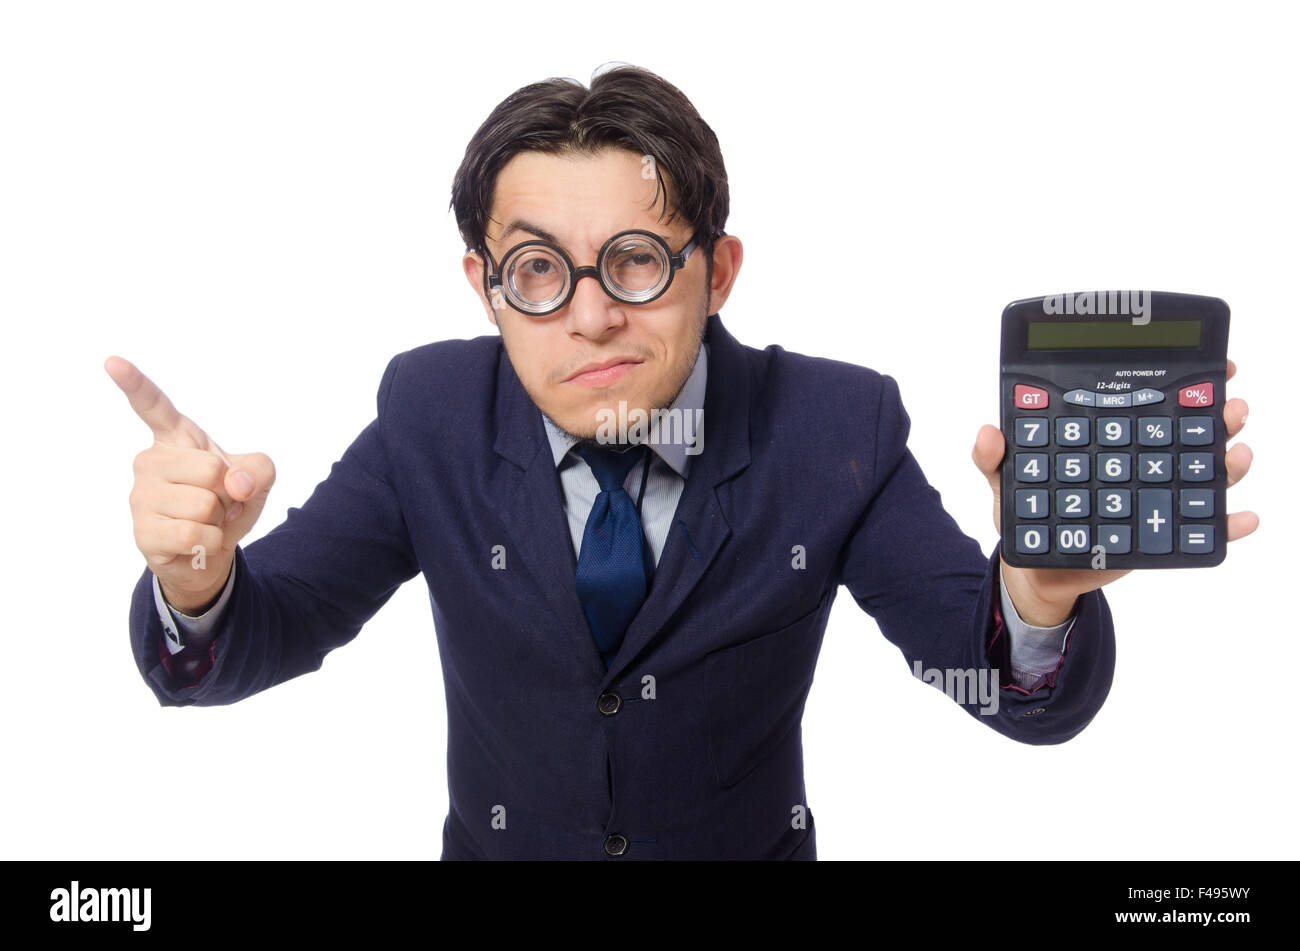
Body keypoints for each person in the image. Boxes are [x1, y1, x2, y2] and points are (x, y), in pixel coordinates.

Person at [106, 65, 1257, 860]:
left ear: (719, 271)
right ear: (484, 288)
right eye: (539, 270)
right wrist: (199, 587)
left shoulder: (832, 426)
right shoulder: (432, 411)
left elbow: (997, 688)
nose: (592, 316)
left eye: (639, 262)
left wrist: (1036, 595)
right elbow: (258, 638)